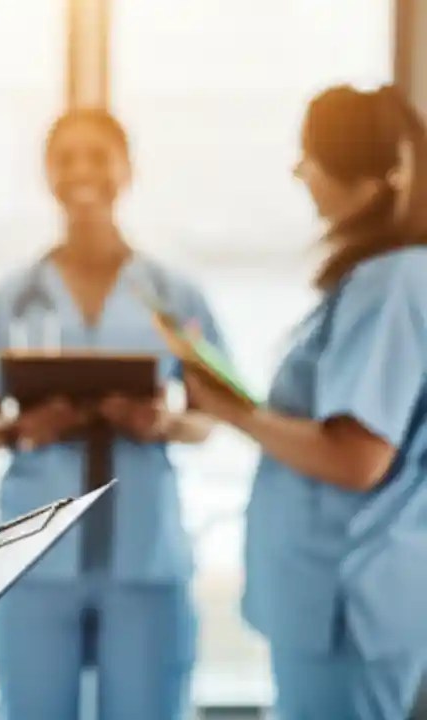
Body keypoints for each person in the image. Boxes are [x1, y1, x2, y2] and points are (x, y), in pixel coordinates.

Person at [0, 109, 229, 720]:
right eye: (66, 158)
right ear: (47, 172)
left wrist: (161, 423)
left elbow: (209, 417)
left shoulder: (171, 295)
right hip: (34, 553)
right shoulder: (13, 296)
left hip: (145, 552)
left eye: (98, 157)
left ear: (126, 169)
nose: (82, 172)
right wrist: (25, 430)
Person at [187, 84, 427, 720]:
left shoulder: (392, 283)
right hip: (339, 601)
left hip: (350, 603)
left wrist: (233, 412)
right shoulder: (381, 279)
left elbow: (358, 457)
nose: (299, 172)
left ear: (365, 182)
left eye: (311, 158)